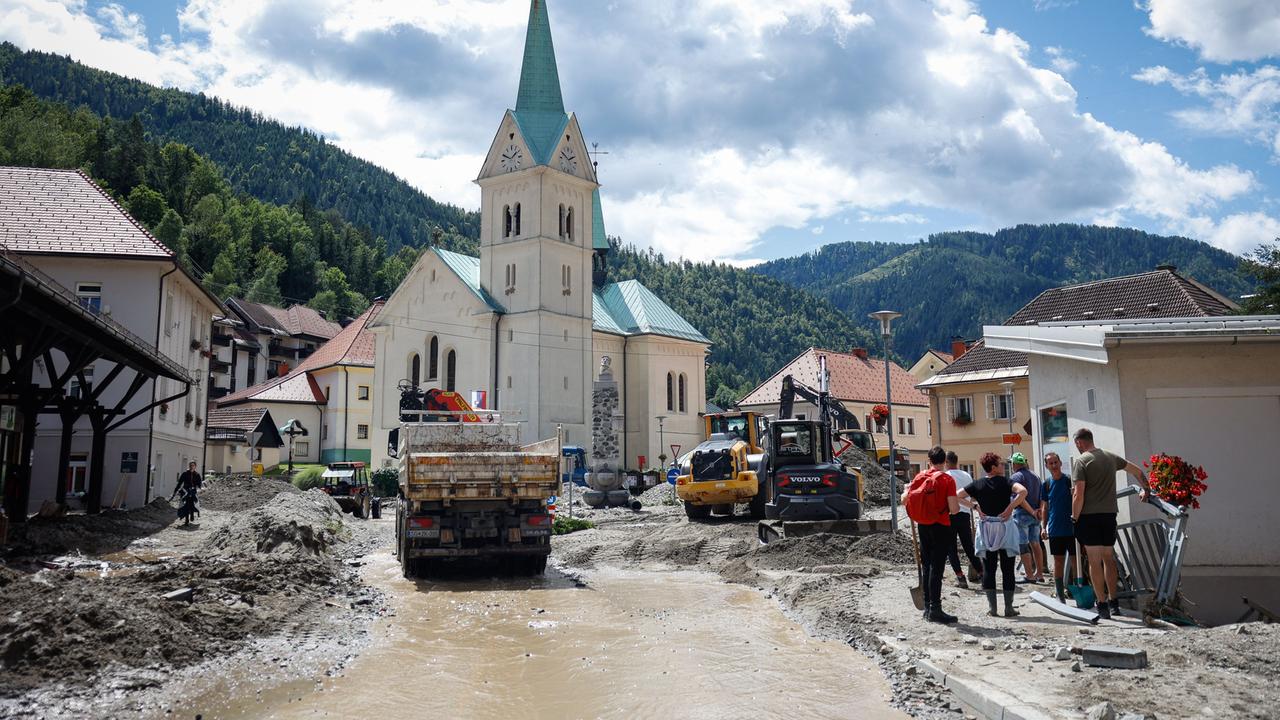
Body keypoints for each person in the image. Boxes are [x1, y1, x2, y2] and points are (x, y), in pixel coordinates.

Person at [1070, 427, 1148, 619]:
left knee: (1094, 562)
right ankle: (1114, 603)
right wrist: (1146, 489)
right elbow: (1137, 470)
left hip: (1089, 517)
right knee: (1109, 558)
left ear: (1079, 442)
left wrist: (1074, 517)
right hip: (1109, 514)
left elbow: (1079, 494)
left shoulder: (1081, 461)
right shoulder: (1110, 457)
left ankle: (1102, 604)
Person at [958, 452, 1028, 618]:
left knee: (989, 567)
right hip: (1005, 525)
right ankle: (1008, 608)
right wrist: (1011, 507)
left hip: (987, 527)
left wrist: (974, 507)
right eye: (1001, 464)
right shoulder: (1006, 482)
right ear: (994, 467)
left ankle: (993, 608)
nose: (1003, 466)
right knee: (1008, 568)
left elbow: (957, 495)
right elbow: (1023, 491)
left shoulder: (978, 484)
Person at [902, 445, 961, 624]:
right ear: (945, 461)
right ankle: (936, 609)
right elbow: (954, 508)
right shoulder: (946, 480)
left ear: (929, 461)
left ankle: (927, 607)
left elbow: (905, 498)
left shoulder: (920, 476)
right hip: (940, 526)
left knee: (927, 565)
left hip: (923, 525)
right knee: (937, 567)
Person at [1041, 452, 1077, 604]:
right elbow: (1044, 507)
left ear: (1060, 463)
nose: (1054, 465)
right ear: (1047, 466)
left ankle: (1077, 590)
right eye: (1051, 463)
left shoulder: (1069, 480)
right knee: (1058, 561)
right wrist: (1043, 527)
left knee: (1076, 561)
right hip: (1055, 528)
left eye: (1056, 462)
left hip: (1072, 527)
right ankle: (1060, 592)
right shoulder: (1046, 484)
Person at [944, 451, 982, 588]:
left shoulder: (945, 476)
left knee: (951, 547)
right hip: (965, 514)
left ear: (947, 462)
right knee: (968, 546)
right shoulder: (966, 475)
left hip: (950, 514)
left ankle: (960, 577)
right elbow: (972, 495)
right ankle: (982, 572)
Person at [1009, 452, 1045, 583]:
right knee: (1036, 543)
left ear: (1014, 464)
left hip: (1022, 514)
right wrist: (1038, 511)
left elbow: (1020, 498)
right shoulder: (1035, 476)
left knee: (1023, 545)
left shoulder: (1016, 477)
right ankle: (1039, 574)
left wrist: (1031, 511)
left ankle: (1029, 575)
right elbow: (1042, 496)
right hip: (1036, 515)